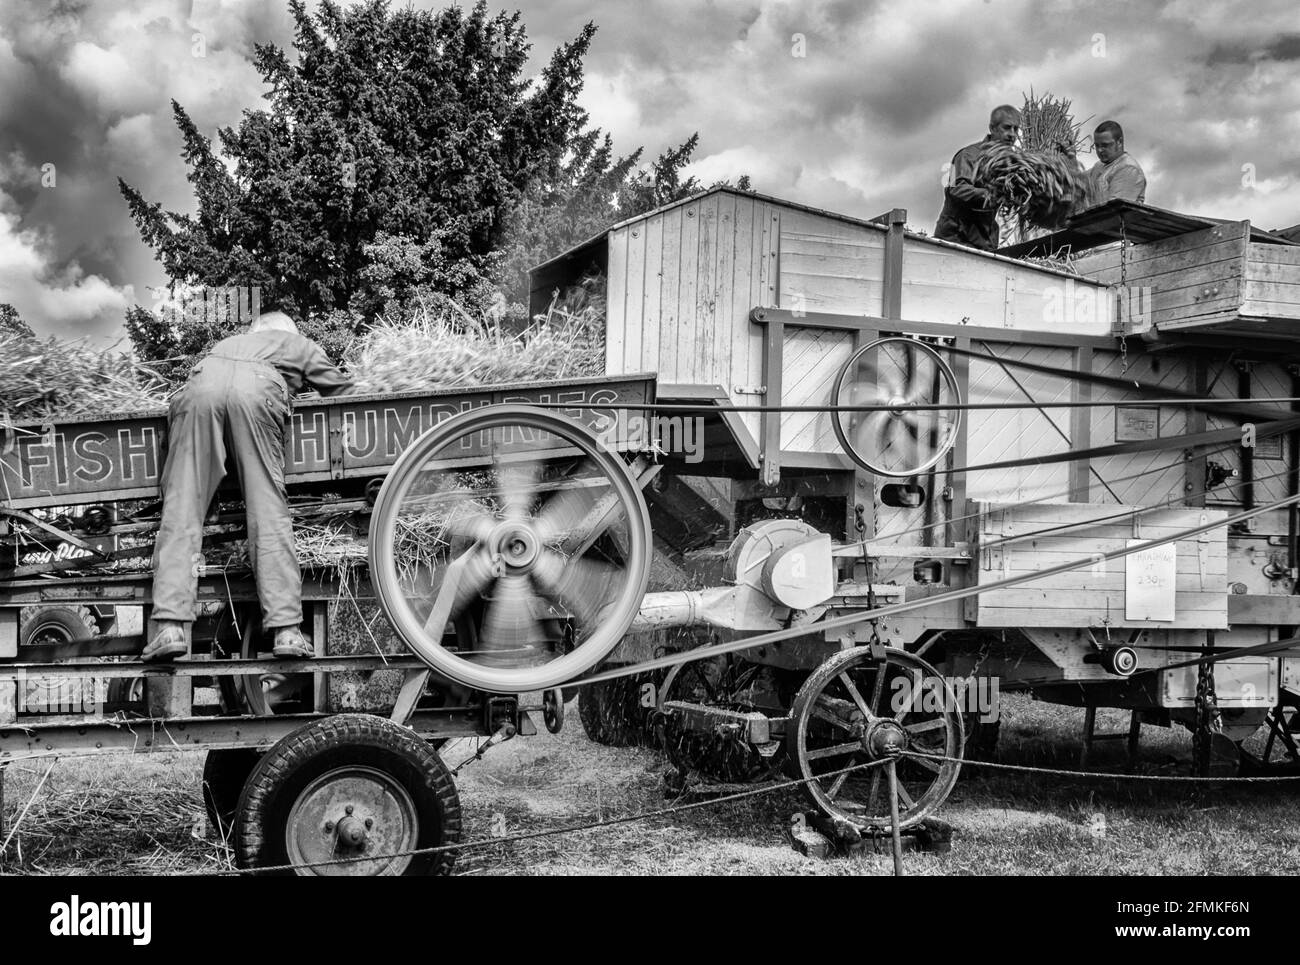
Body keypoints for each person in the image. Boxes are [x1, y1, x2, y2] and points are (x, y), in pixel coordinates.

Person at [143, 309, 356, 662]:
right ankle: (286, 630)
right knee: (266, 508)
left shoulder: (225, 345)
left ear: (253, 331)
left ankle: (169, 627)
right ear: (289, 331)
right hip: (256, 393)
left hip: (199, 392)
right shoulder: (294, 343)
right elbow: (343, 392)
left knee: (182, 509)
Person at [934, 105, 1021, 251]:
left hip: (984, 243)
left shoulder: (1010, 167)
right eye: (1006, 127)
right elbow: (957, 190)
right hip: (955, 240)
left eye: (1016, 129)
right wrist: (992, 195)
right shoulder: (968, 156)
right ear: (992, 128)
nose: (1012, 134)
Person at [1087, 120, 1147, 205]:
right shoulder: (1099, 166)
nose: (1100, 150)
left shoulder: (1128, 169)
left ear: (1119, 142)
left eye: (1105, 145)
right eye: (1097, 145)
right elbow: (1079, 182)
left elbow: (1112, 210)